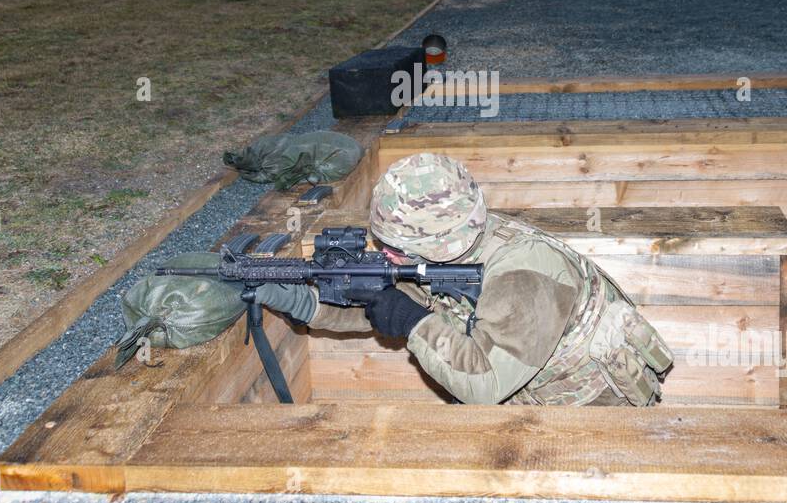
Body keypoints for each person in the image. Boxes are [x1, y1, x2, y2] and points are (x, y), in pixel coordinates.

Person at [254, 152, 674, 405]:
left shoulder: (524, 273)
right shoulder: (456, 246)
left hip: (590, 422)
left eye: (393, 248)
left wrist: (415, 324)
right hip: (530, 401)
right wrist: (300, 301)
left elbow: (485, 384)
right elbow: (386, 301)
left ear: (437, 245)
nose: (385, 255)